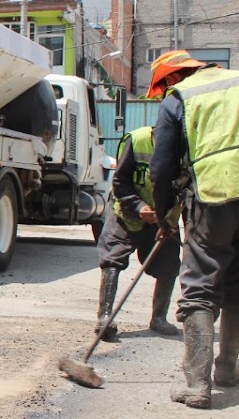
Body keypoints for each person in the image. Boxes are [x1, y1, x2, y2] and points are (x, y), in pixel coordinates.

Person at [148, 50, 239, 409]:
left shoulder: (180, 98)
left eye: (163, 86)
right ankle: (226, 368)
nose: (164, 91)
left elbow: (162, 165)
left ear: (171, 78)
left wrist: (166, 212)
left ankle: (197, 385)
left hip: (213, 199)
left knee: (200, 288)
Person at [94, 125, 182, 341]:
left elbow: (185, 188)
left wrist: (167, 218)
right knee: (112, 260)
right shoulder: (137, 141)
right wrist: (139, 207)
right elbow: (120, 182)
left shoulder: (185, 148)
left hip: (164, 219)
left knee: (169, 266)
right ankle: (104, 318)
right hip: (127, 215)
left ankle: (159, 318)